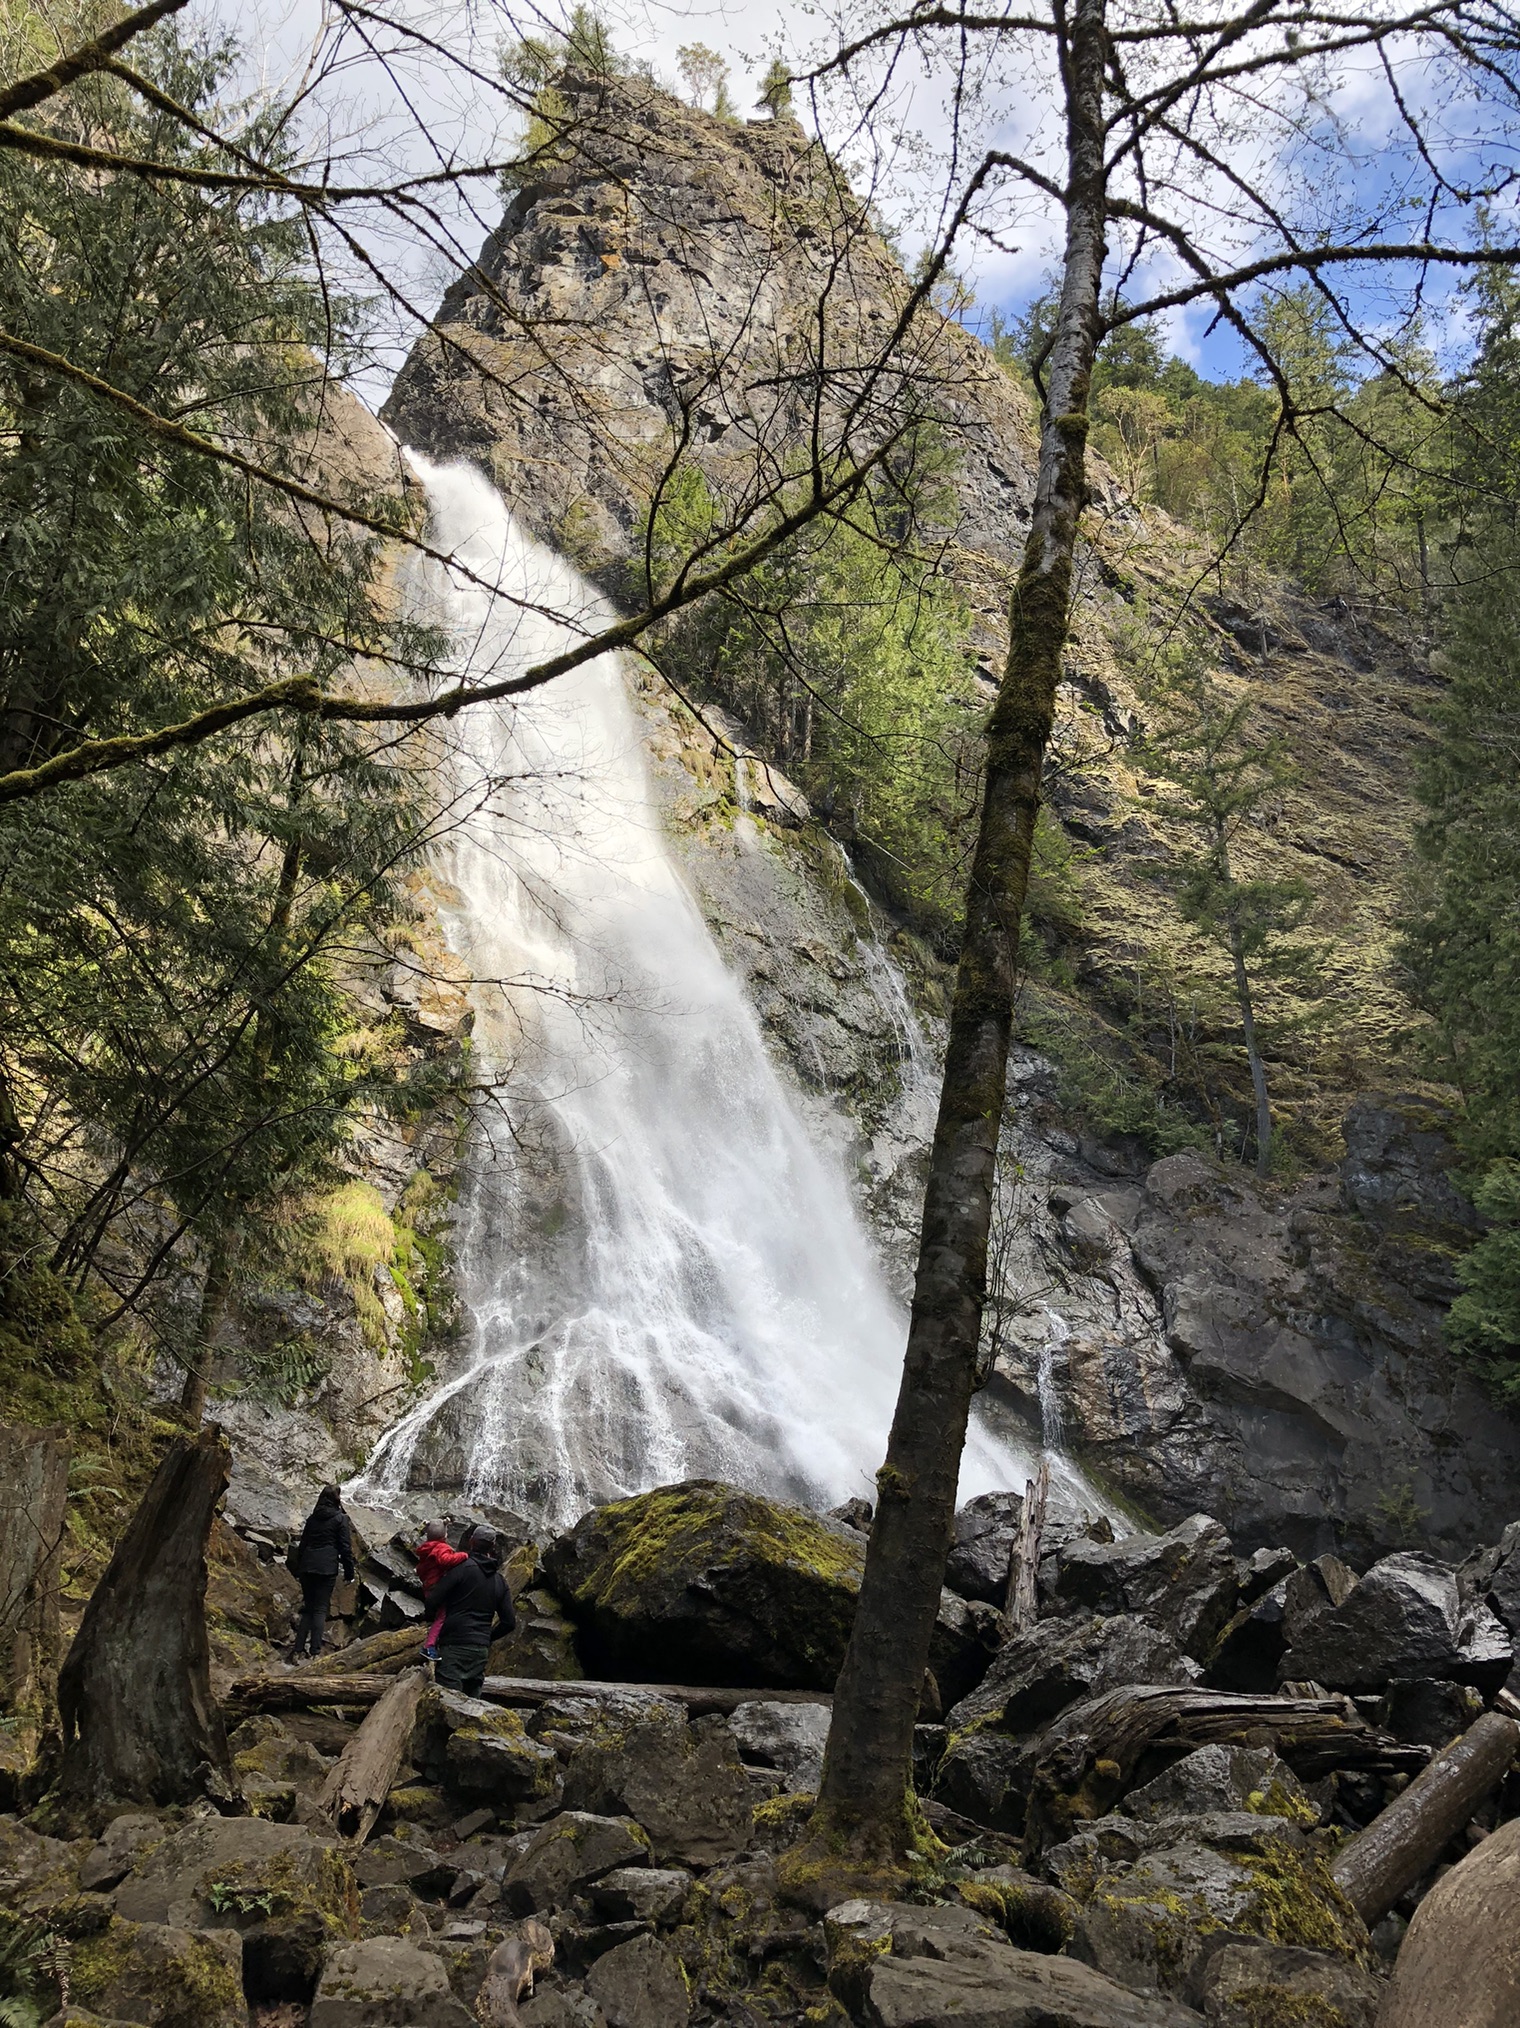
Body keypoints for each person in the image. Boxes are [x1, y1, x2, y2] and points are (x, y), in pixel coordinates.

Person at [423, 1525, 515, 1695]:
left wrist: (433, 1621)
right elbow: (509, 1622)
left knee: (446, 1703)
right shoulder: (499, 1581)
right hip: (480, 1650)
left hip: (454, 1646)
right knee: (472, 1706)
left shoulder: (460, 1569)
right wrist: (486, 1637)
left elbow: (433, 1600)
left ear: (471, 1542)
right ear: (493, 1547)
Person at [286, 1484, 355, 1661]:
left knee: (309, 1609)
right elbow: (345, 1548)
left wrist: (299, 1567)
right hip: (326, 1568)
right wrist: (349, 1573)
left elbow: (303, 1545)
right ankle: (315, 1653)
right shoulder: (340, 1519)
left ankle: (297, 1650)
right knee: (320, 1609)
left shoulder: (312, 1519)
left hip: (308, 1566)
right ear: (336, 1500)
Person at [413, 1519, 468, 1660]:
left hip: (428, 1586)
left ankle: (435, 1640)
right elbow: (445, 1561)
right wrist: (463, 1555)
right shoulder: (441, 1548)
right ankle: (429, 1646)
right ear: (444, 1536)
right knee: (442, 1617)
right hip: (437, 1586)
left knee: (440, 1614)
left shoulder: (427, 1548)